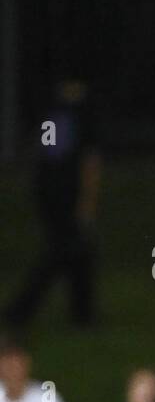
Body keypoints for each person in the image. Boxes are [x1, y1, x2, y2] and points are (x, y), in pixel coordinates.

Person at [4, 79, 101, 329]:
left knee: (77, 253)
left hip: (50, 194)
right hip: (63, 196)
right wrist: (87, 202)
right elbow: (88, 162)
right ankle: (22, 311)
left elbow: (45, 155)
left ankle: (82, 314)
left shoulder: (55, 111)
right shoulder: (79, 113)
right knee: (62, 253)